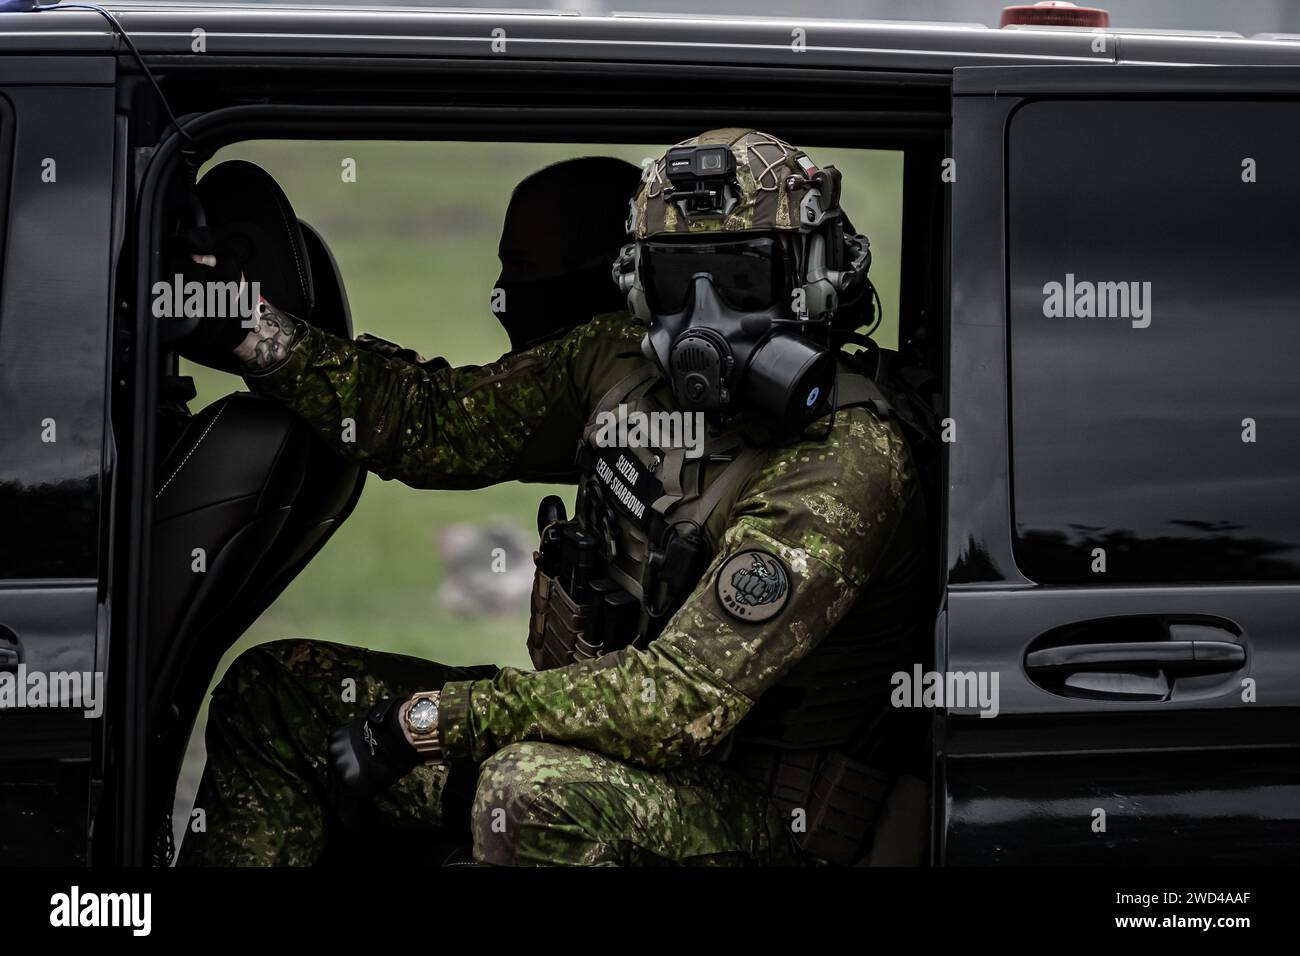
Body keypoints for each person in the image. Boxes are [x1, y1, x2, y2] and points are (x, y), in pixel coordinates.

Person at [177, 130, 928, 867]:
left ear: (815, 281)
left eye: (741, 279)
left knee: (523, 790)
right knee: (276, 696)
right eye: (677, 281)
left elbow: (682, 698)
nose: (706, 317)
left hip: (756, 811)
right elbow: (433, 420)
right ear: (637, 283)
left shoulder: (845, 461)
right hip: (606, 752)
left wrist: (438, 720)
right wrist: (254, 332)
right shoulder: (617, 363)